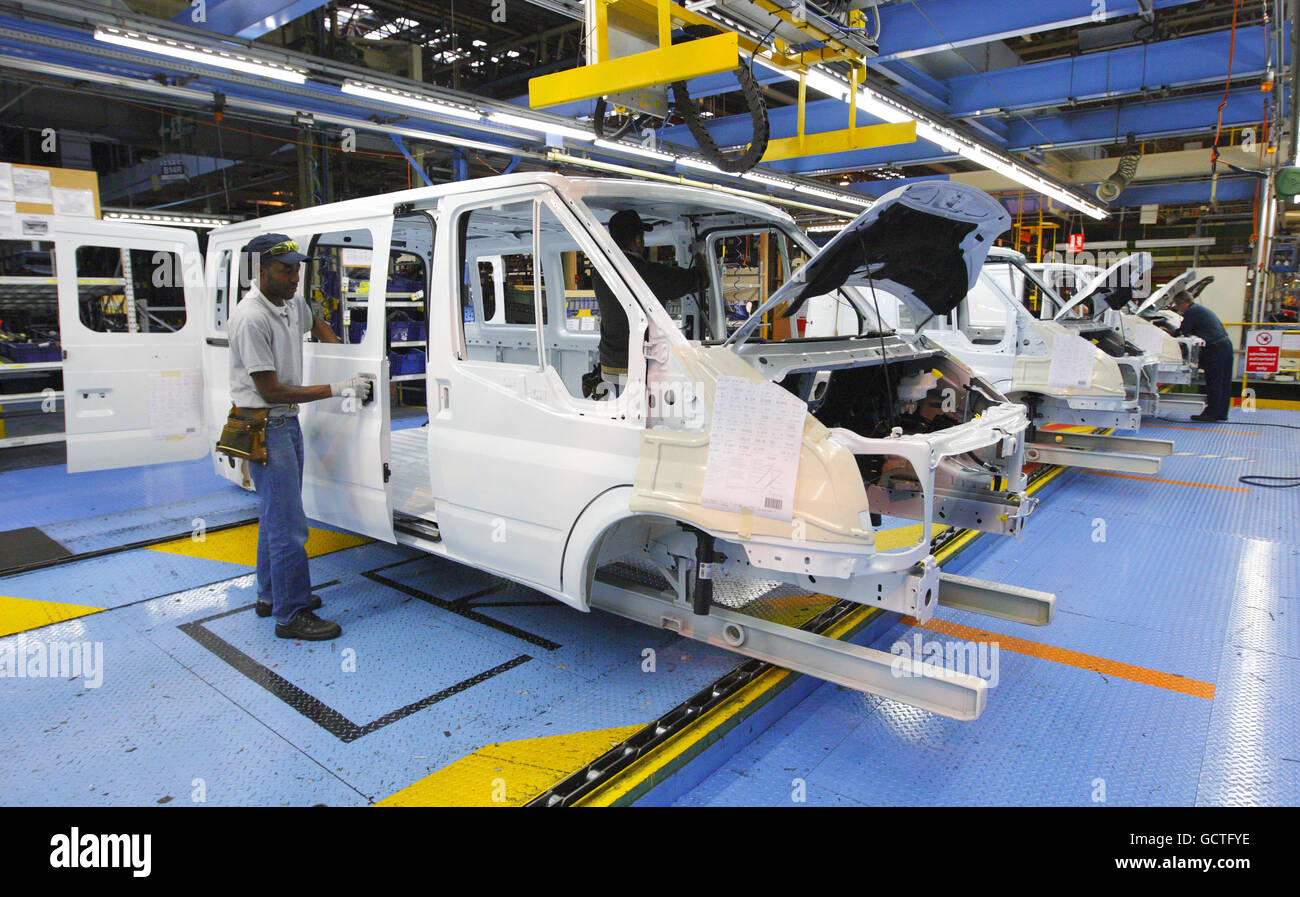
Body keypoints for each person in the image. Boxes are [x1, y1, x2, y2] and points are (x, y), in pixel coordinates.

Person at [228, 233, 374, 640]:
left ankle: (271, 595)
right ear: (260, 270)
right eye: (284, 269)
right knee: (289, 525)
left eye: (296, 268)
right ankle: (291, 616)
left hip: (283, 423)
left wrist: (347, 358)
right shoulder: (251, 318)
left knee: (275, 516)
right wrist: (337, 387)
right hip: (263, 423)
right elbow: (271, 390)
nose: (294, 277)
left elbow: (318, 322)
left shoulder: (290, 305)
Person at [592, 209, 700, 395]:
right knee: (643, 417)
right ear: (637, 240)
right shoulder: (647, 273)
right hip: (638, 365)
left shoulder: (599, 271)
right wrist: (699, 254)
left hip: (610, 363)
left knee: (624, 415)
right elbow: (698, 279)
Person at [1170, 289, 1232, 422]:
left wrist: (1168, 335)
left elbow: (1183, 331)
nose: (1179, 310)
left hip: (1216, 349)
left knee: (1214, 381)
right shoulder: (1198, 309)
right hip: (1224, 346)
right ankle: (1221, 413)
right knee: (1223, 382)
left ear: (1183, 303)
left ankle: (1212, 414)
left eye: (1178, 306)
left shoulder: (1192, 312)